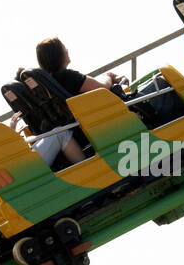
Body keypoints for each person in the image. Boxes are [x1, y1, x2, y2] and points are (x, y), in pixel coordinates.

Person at [19, 37, 122, 168]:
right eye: (64, 48)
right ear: (60, 54)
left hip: (73, 131)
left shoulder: (48, 85)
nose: (67, 50)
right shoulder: (67, 76)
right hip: (89, 130)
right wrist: (109, 76)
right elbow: (102, 88)